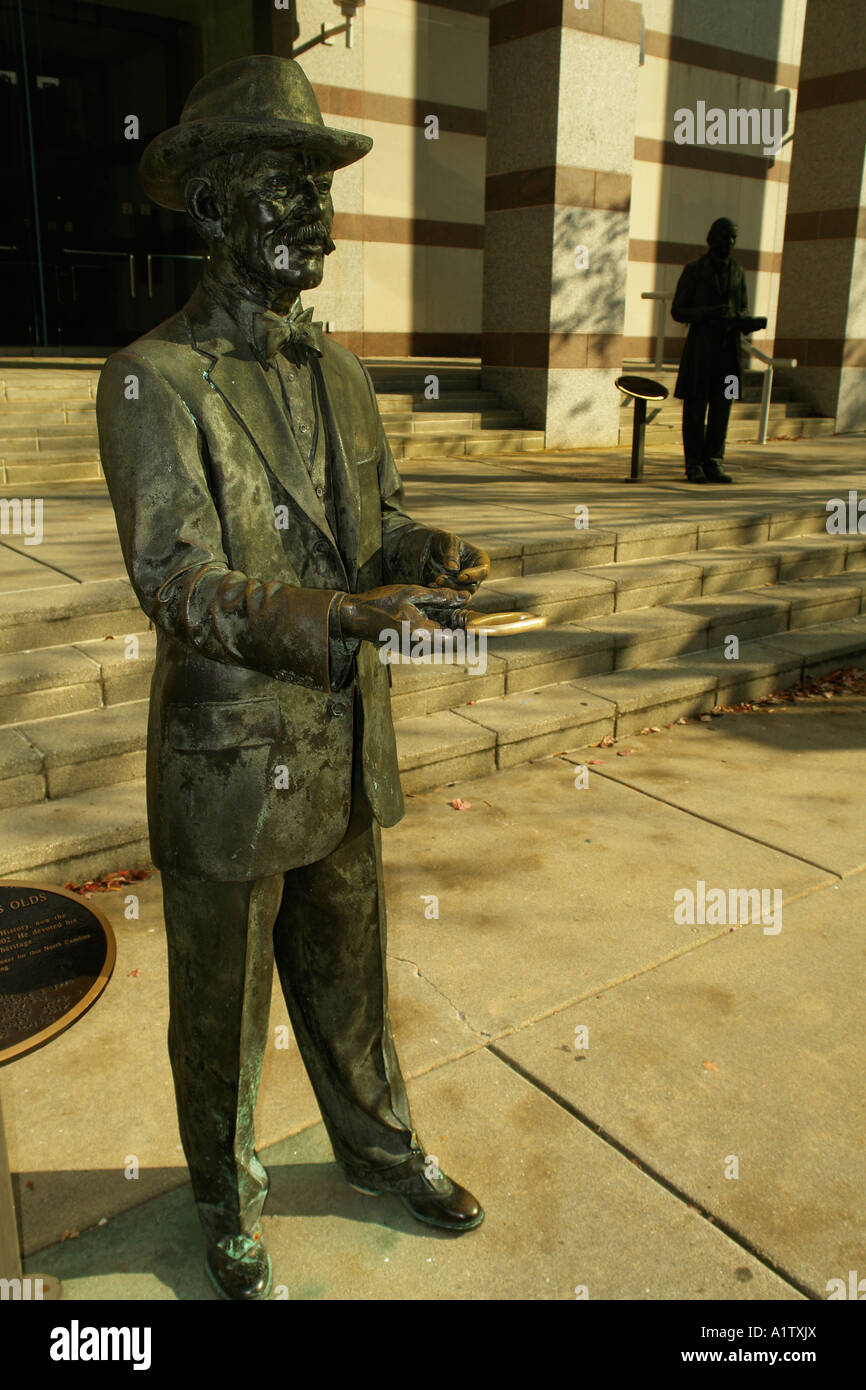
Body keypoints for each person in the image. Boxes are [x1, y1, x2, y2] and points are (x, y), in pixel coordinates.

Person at [96, 55, 490, 1301]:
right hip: (228, 763)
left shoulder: (342, 376)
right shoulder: (151, 380)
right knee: (221, 1014)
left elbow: (370, 528)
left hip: (338, 746)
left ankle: (376, 1151)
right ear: (212, 207)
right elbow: (177, 582)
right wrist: (340, 615)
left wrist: (422, 554)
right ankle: (226, 1204)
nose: (316, 218)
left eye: (322, 192)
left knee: (350, 980)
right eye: (285, 189)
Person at [670, 217, 766, 484]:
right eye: (726, 237)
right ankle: (693, 464)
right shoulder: (694, 270)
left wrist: (747, 322)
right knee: (695, 408)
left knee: (723, 407)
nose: (730, 242)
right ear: (712, 239)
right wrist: (707, 313)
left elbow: (742, 307)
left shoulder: (738, 271)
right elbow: (678, 310)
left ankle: (714, 461)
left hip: (729, 355)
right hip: (700, 352)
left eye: (734, 237)